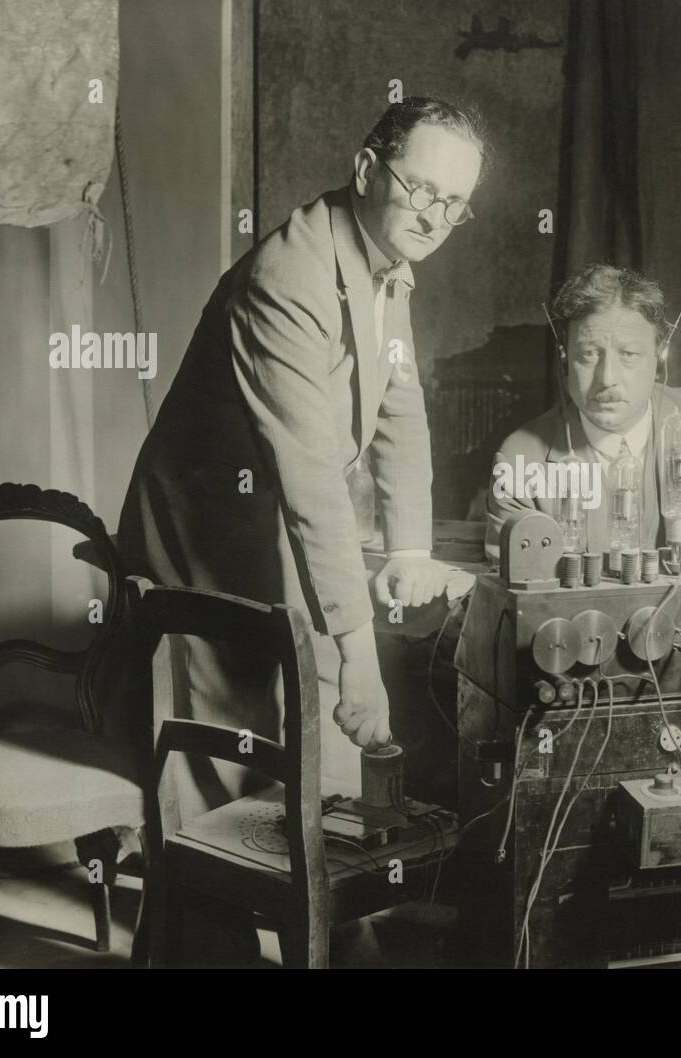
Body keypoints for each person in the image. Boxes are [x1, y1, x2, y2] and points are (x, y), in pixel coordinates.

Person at [118, 97, 487, 812]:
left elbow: (401, 411)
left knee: (310, 718)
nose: (434, 218)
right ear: (366, 169)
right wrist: (358, 653)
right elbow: (311, 475)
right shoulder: (289, 278)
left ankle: (320, 911)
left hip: (274, 517)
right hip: (203, 534)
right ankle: (224, 912)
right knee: (224, 738)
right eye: (421, 190)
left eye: (454, 205)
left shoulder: (388, 259)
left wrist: (410, 548)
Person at [486, 264, 681, 578]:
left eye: (628, 354)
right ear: (564, 357)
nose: (607, 378)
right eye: (588, 354)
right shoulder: (520, 458)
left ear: (659, 357)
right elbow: (519, 605)